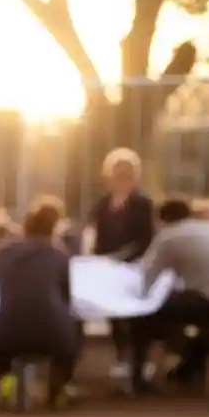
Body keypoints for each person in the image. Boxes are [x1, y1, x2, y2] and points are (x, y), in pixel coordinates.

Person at [129, 198, 209, 394]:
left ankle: (140, 379)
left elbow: (146, 281)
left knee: (145, 317)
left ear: (161, 220)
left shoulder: (167, 237)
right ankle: (192, 368)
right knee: (196, 313)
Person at [0, 196, 83, 410]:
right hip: (52, 335)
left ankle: (5, 379)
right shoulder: (59, 256)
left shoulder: (0, 256)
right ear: (53, 231)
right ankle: (57, 389)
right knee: (72, 335)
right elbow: (66, 297)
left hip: (5, 334)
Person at [87, 147, 156, 378]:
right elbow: (97, 236)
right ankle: (121, 356)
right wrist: (99, 260)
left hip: (134, 266)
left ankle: (139, 361)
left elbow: (146, 238)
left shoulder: (143, 204)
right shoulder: (102, 204)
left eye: (127, 173)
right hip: (108, 268)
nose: (122, 178)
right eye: (118, 173)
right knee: (114, 314)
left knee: (136, 316)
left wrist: (122, 257)